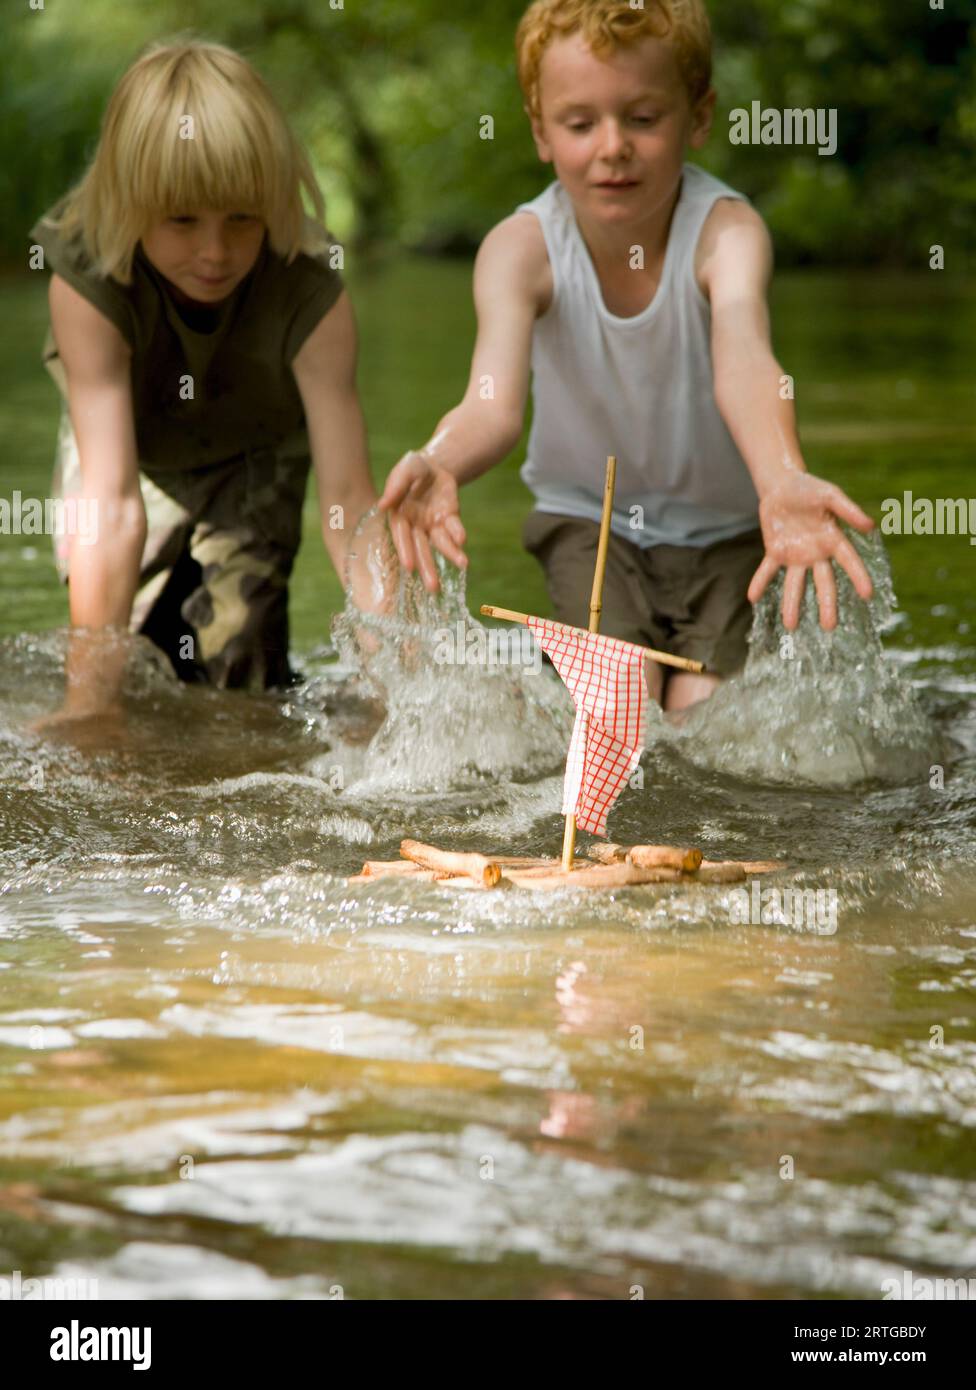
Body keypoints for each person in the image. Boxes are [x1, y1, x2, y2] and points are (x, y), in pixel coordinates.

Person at [379, 0, 875, 713]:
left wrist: (781, 477)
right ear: (540, 130)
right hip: (592, 529)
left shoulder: (727, 235)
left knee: (704, 719)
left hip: (730, 538)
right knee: (621, 711)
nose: (612, 146)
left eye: (643, 119)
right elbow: (491, 402)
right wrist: (441, 458)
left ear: (698, 117)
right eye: (580, 124)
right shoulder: (520, 252)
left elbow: (745, 359)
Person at [30, 37, 466, 729]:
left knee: (234, 679)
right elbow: (108, 505)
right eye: (182, 220)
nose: (215, 250)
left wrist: (403, 682)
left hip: (254, 459)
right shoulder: (87, 280)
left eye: (242, 217)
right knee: (129, 672)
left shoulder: (310, 291)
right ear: (129, 201)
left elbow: (350, 508)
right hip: (127, 452)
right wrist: (88, 709)